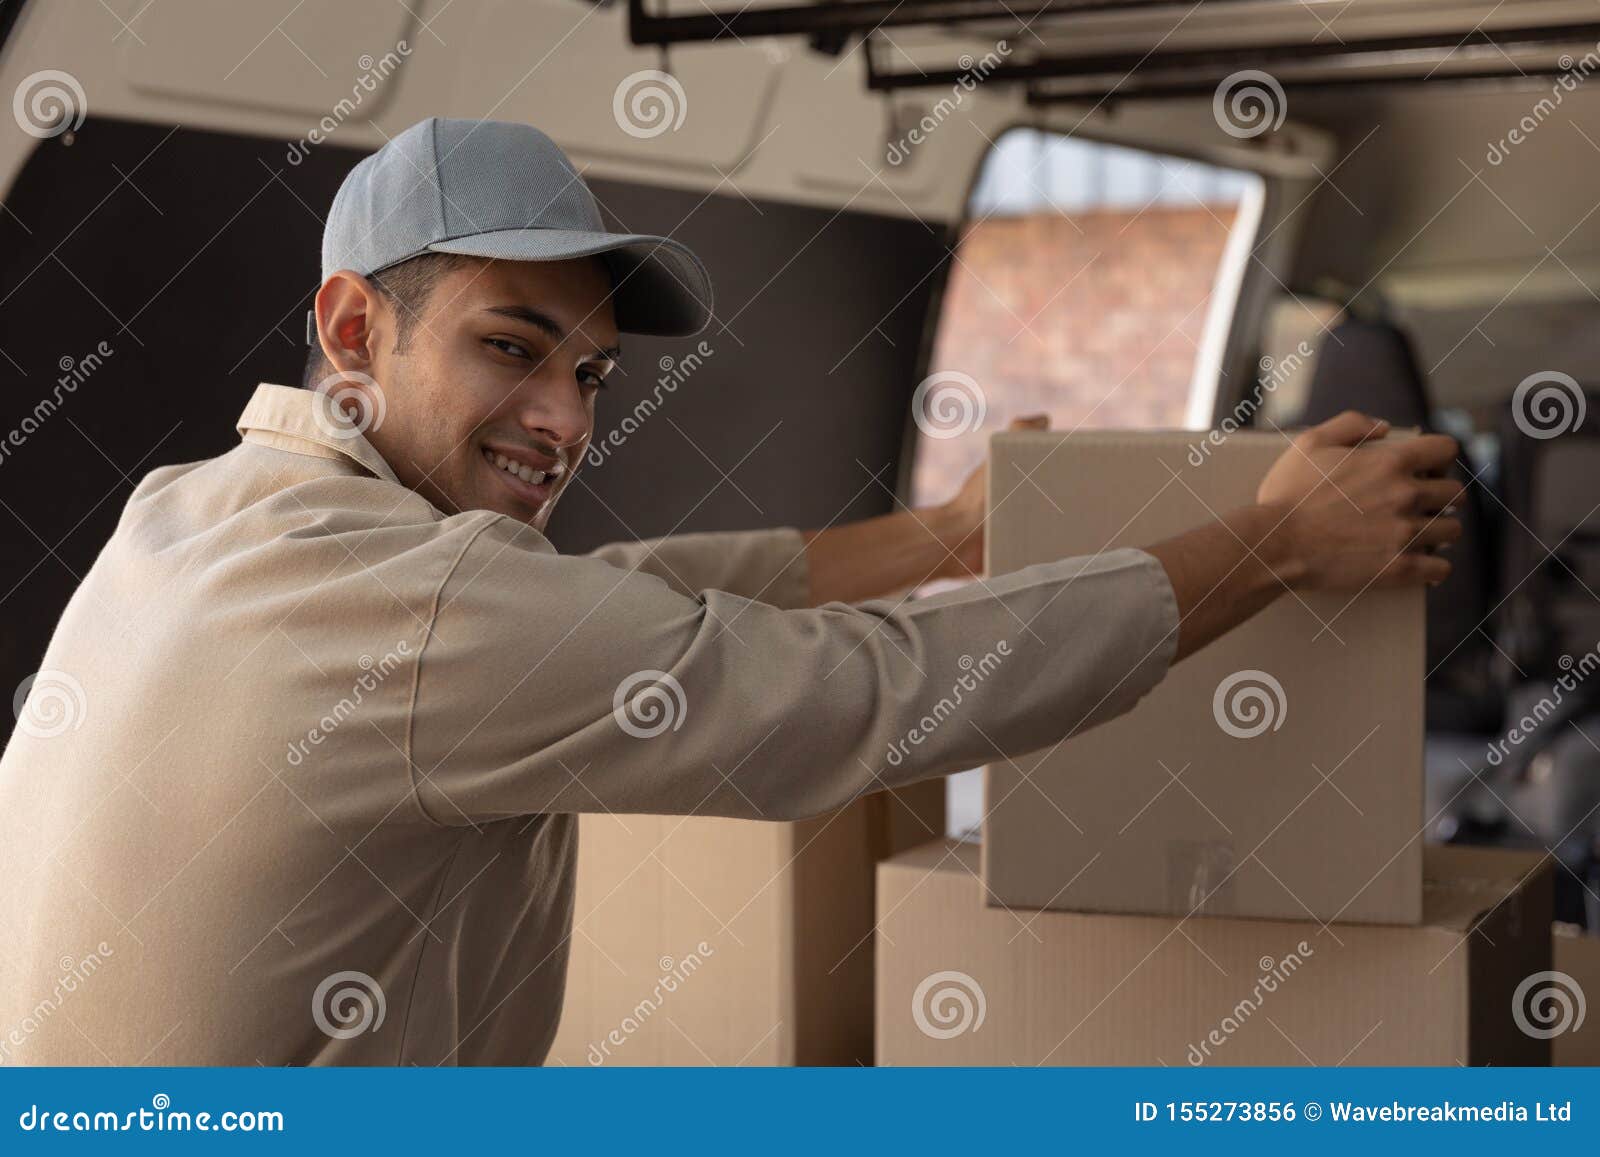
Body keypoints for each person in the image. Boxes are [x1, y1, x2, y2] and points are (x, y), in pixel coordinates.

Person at [0, 118, 1463, 1066]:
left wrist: (948, 541)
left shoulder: (192, 518)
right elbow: (862, 695)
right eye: (510, 347)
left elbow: (613, 604)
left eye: (588, 375)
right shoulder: (422, 611)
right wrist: (1276, 548)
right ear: (352, 325)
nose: (564, 421)